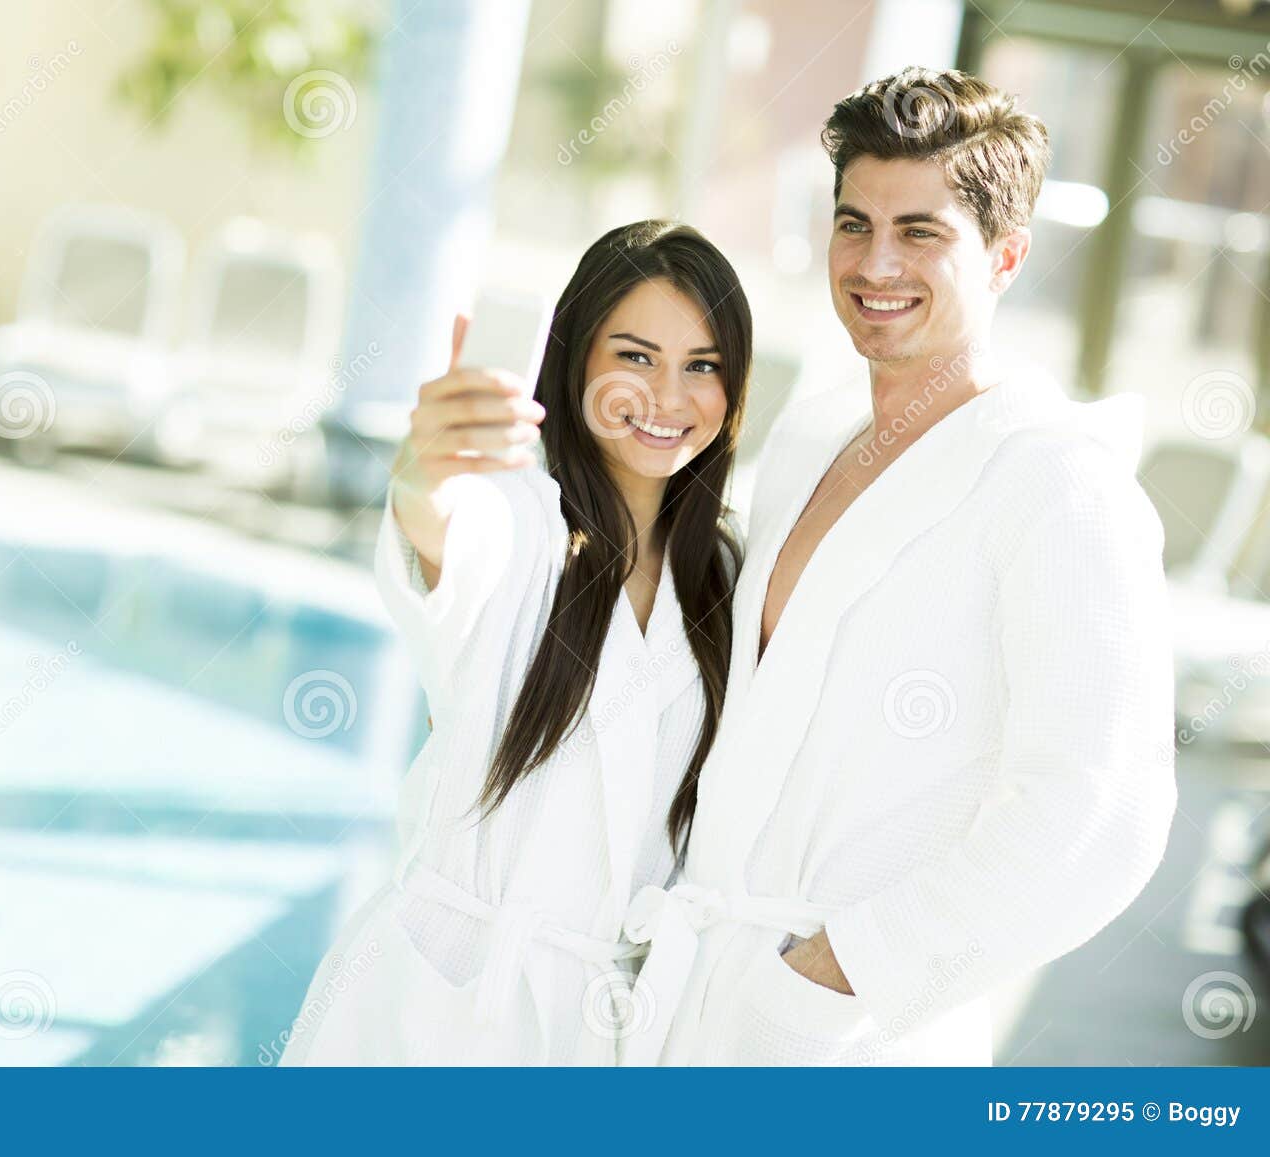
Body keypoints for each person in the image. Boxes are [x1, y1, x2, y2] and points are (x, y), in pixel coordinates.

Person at [622, 67, 1176, 1066]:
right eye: (852, 223)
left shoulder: (1056, 485)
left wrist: (839, 968)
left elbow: (1097, 810)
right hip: (698, 997)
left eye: (920, 231)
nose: (875, 262)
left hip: (849, 1038)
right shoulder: (813, 433)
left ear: (1006, 255)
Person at [279, 220, 752, 1064]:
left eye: (703, 366)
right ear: (574, 363)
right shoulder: (523, 517)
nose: (669, 398)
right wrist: (428, 468)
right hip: (429, 1008)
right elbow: (446, 529)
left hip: (602, 1028)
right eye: (636, 357)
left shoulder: (723, 576)